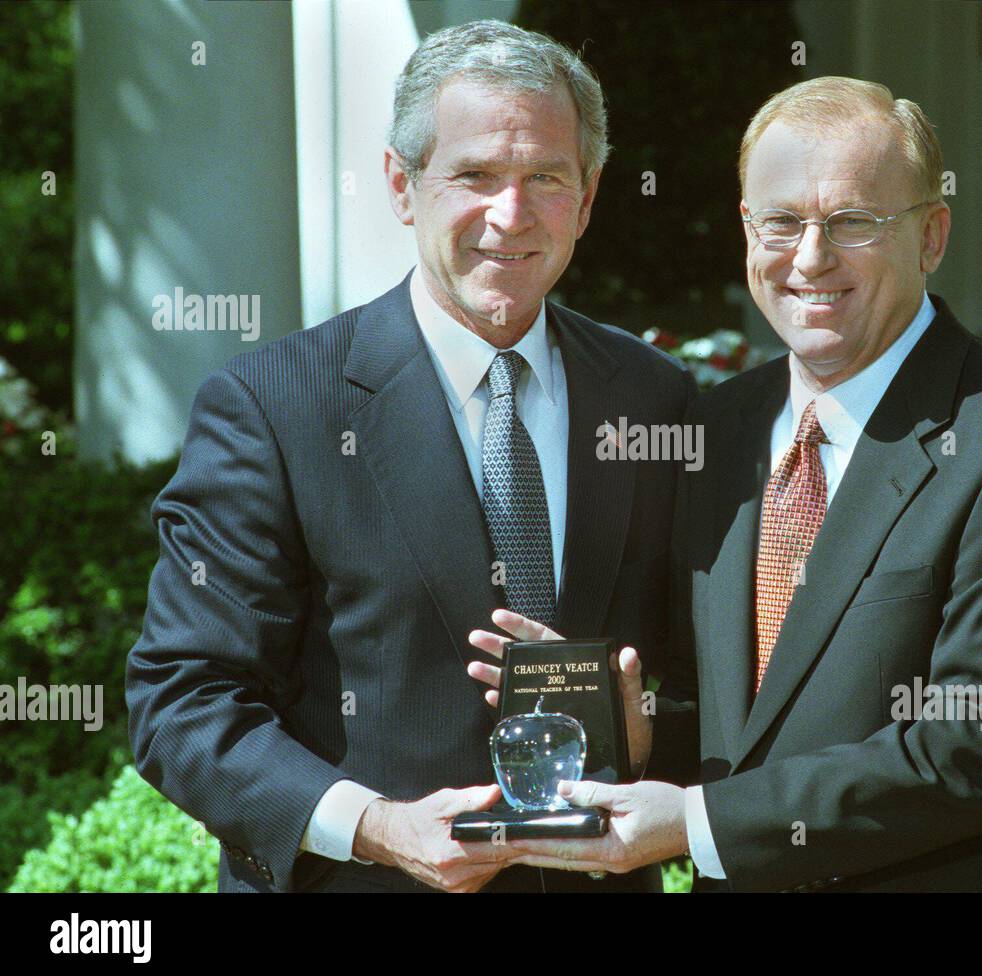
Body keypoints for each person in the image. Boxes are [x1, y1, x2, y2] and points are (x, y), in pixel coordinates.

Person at [468, 77, 982, 892]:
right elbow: (741, 729)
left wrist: (698, 823)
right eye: (781, 222)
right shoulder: (716, 434)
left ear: (932, 236)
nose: (810, 258)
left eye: (852, 222)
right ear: (748, 230)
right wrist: (625, 725)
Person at [126, 20, 693, 893]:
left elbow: (720, 680)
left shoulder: (655, 399)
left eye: (545, 176)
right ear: (402, 182)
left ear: (587, 198)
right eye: (474, 175)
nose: (511, 214)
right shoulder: (275, 408)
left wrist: (646, 728)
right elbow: (183, 701)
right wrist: (379, 826)